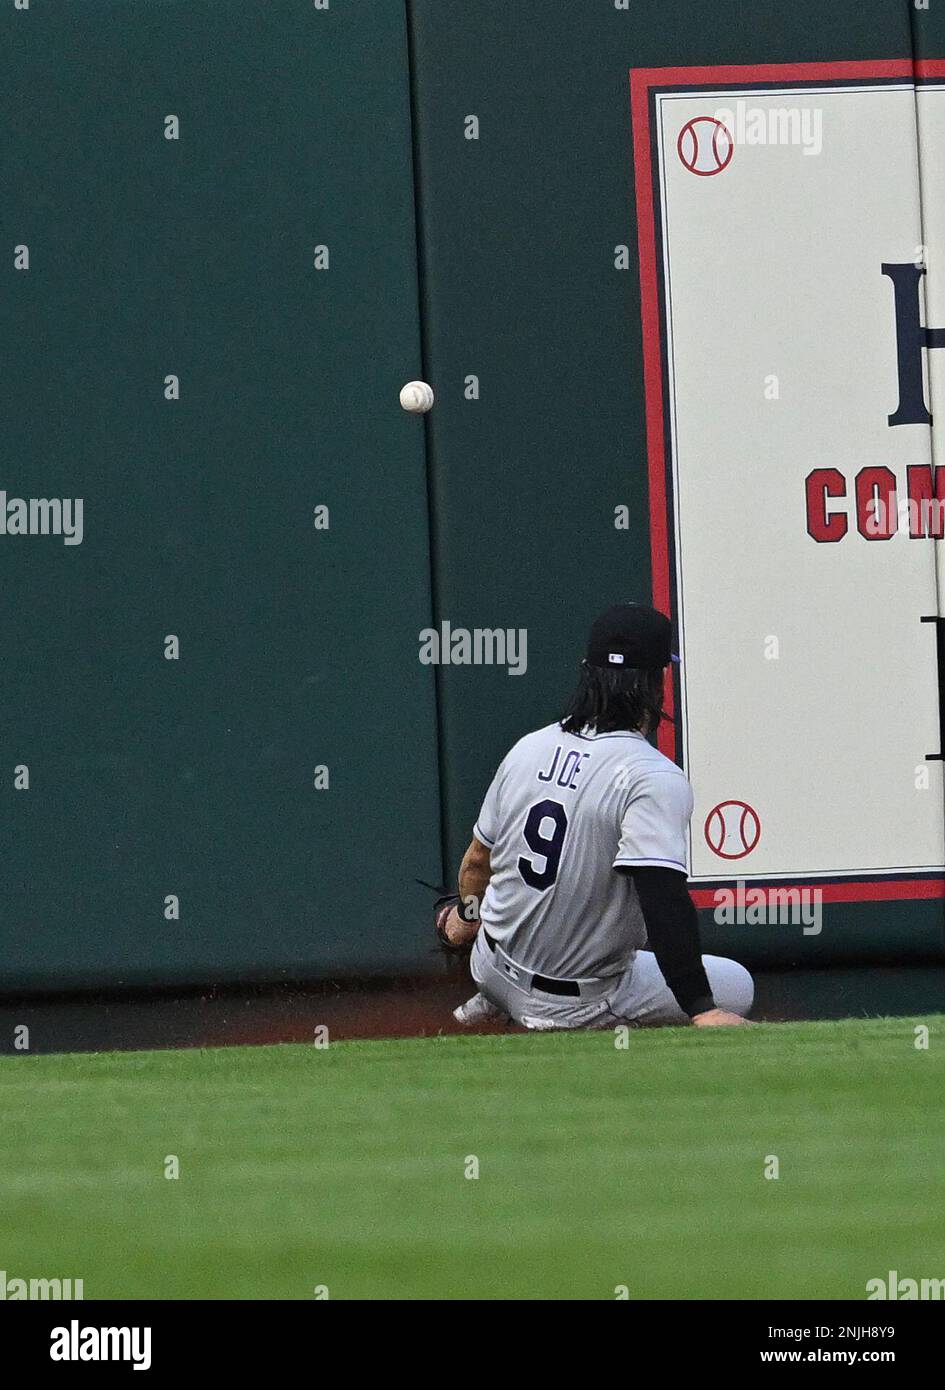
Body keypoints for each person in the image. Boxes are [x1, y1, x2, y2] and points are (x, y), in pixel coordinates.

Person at [437, 603, 754, 1030]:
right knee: (739, 986)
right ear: (656, 682)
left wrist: (465, 919)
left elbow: (478, 860)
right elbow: (663, 899)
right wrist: (702, 1008)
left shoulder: (528, 747)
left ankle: (494, 1001)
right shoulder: (652, 775)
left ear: (587, 671)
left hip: (489, 965)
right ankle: (539, 1016)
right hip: (575, 1003)